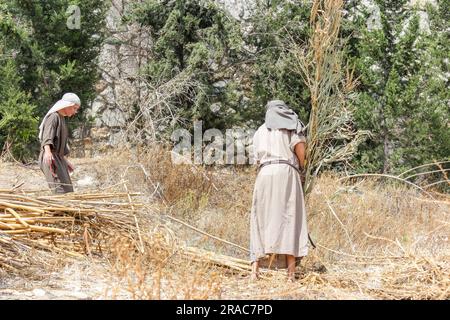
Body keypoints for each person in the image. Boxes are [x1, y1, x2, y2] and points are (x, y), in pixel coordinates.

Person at [250, 100, 308, 282]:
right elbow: (300, 149)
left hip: (265, 173)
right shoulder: (292, 125)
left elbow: (255, 159)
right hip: (286, 172)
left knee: (260, 219)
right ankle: (290, 275)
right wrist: (303, 167)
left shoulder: (260, 130)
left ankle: (254, 272)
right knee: (289, 218)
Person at [38, 93, 81, 194]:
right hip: (50, 157)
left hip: (58, 158)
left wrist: (65, 161)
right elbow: (47, 137)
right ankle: (59, 210)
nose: (75, 112)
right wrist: (48, 153)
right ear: (67, 105)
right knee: (59, 190)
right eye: (74, 108)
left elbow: (59, 146)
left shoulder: (61, 118)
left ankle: (67, 209)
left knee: (68, 189)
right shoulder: (53, 117)